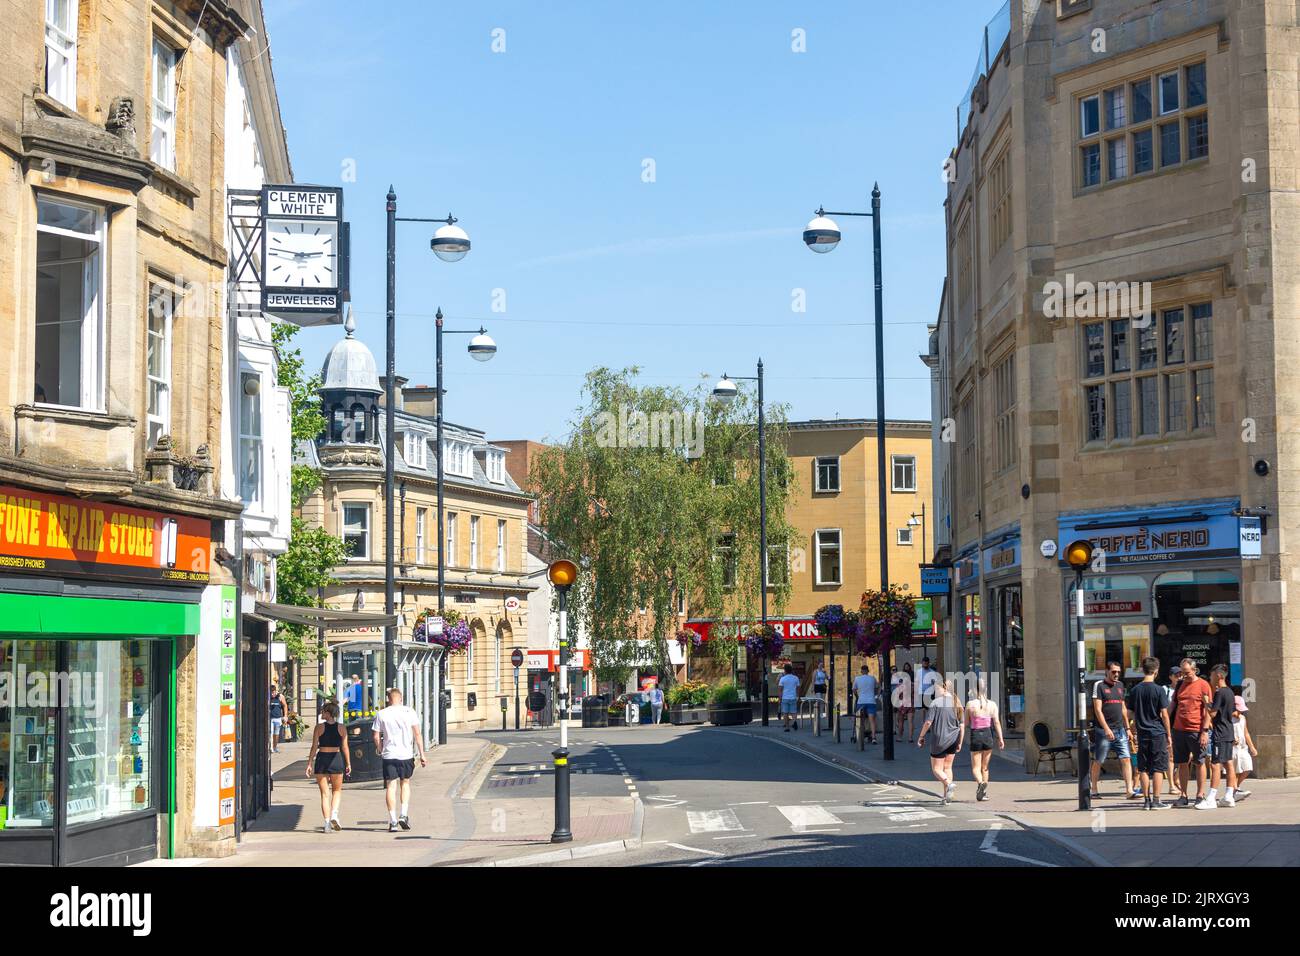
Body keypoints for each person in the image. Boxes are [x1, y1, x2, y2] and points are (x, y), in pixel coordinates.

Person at [371, 688, 426, 832]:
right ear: (401, 698)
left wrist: (381, 749)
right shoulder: (409, 712)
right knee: (405, 783)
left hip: (389, 755)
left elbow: (376, 737)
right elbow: (417, 734)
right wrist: (422, 754)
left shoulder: (381, 714)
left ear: (388, 699)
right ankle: (404, 814)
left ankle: (393, 821)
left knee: (390, 786)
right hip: (406, 754)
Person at [1127, 656, 1174, 811]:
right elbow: (1164, 714)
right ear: (1156, 671)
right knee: (1159, 768)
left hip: (1142, 733)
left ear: (1143, 669)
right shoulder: (1159, 690)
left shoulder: (1135, 690)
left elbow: (1129, 712)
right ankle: (1156, 800)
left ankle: (1146, 801)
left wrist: (1134, 725)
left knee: (1144, 768)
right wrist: (1168, 734)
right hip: (1157, 732)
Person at [1089, 661, 1135, 800]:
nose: (1116, 674)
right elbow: (1097, 710)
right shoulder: (1099, 685)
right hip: (1104, 731)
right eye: (1113, 671)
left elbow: (1123, 708)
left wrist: (1127, 728)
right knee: (1099, 760)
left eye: (1118, 672)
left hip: (1120, 729)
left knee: (1126, 759)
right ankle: (1094, 789)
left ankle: (1129, 790)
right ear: (1107, 671)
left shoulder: (1120, 685)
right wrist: (1106, 728)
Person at [305, 701, 352, 832]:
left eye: (323, 711)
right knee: (336, 791)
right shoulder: (342, 728)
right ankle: (334, 815)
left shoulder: (319, 728)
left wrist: (309, 763)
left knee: (324, 794)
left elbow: (314, 746)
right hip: (336, 759)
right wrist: (348, 763)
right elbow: (345, 747)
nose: (321, 713)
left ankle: (326, 824)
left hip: (322, 759)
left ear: (328, 713)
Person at [1170, 659, 1211, 807]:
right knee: (1181, 763)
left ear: (1194, 670)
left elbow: (1208, 710)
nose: (1183, 676)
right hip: (1179, 730)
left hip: (1196, 730)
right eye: (1181, 672)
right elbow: (1172, 705)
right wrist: (1164, 722)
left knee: (1199, 762)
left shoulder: (1203, 685)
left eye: (1186, 673)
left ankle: (1200, 795)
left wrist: (1205, 731)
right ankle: (1183, 795)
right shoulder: (1180, 685)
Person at [917, 677, 963, 804]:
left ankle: (949, 784)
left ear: (942, 688)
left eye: (936, 689)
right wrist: (960, 741)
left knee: (937, 769)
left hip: (939, 740)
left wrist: (921, 736)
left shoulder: (936, 703)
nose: (935, 692)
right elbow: (962, 725)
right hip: (953, 739)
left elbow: (928, 722)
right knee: (947, 767)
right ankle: (946, 796)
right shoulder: (957, 703)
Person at [1198, 664, 1238, 810]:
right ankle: (1228, 795)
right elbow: (1233, 712)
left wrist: (1206, 702)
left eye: (1212, 674)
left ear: (1219, 676)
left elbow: (1213, 713)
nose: (1210, 677)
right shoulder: (1230, 692)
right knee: (1228, 763)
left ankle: (1211, 798)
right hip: (1228, 731)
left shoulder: (1220, 692)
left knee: (1215, 764)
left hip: (1220, 732)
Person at [965, 679, 1004, 801]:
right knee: (985, 767)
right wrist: (1001, 738)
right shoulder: (992, 704)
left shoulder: (970, 704)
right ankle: (984, 791)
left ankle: (981, 783)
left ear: (975, 689)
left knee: (975, 767)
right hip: (988, 734)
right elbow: (997, 722)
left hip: (975, 734)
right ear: (986, 689)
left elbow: (965, 723)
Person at [1231, 696, 1257, 800]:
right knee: (1235, 770)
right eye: (1239, 710)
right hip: (1232, 748)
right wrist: (1231, 740)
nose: (1240, 713)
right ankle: (1234, 790)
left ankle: (1234, 788)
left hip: (1243, 747)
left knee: (1247, 767)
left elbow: (1246, 733)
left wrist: (1252, 747)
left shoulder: (1242, 718)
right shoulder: (1228, 718)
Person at [852, 665, 878, 744]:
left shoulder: (857, 678)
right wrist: (876, 695)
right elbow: (878, 687)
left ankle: (860, 735)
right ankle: (873, 737)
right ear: (868, 670)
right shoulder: (872, 678)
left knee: (860, 720)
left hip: (861, 701)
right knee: (872, 721)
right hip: (871, 701)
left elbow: (854, 689)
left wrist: (857, 696)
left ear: (861, 671)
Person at [892, 662, 915, 741]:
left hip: (901, 705)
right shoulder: (912, 685)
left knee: (901, 721)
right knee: (910, 721)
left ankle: (900, 737)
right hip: (910, 704)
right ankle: (910, 738)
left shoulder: (900, 686)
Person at [778, 663, 801, 731]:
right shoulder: (796, 678)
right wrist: (798, 696)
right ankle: (794, 722)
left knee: (785, 713)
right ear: (791, 670)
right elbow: (798, 688)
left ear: (785, 670)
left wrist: (780, 699)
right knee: (794, 712)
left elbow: (780, 690)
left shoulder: (782, 679)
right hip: (793, 697)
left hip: (785, 697)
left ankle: (787, 727)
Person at [269, 684, 287, 755]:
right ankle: (271, 748)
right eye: (271, 692)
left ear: (275, 691)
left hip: (278, 718)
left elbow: (285, 705)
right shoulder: (268, 697)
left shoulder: (280, 696)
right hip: (270, 718)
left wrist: (285, 716)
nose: (272, 694)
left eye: (273, 692)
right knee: (270, 733)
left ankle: (275, 747)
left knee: (276, 734)